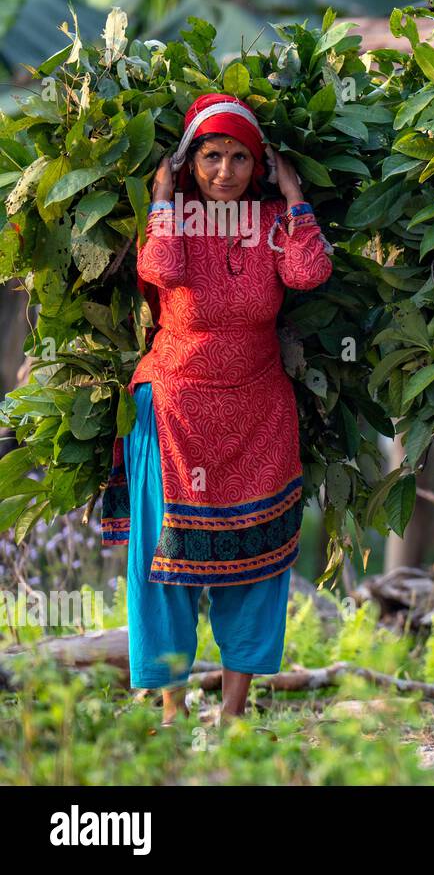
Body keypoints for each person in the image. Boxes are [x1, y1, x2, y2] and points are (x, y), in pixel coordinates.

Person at [101, 92, 333, 726]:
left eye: (238, 158)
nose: (224, 172)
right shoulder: (175, 221)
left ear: (257, 166)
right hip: (175, 410)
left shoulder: (268, 224)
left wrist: (292, 196)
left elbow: (309, 274)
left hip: (258, 411)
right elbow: (161, 266)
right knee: (167, 558)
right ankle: (173, 707)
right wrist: (163, 198)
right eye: (210, 157)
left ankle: (234, 712)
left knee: (257, 564)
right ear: (188, 163)